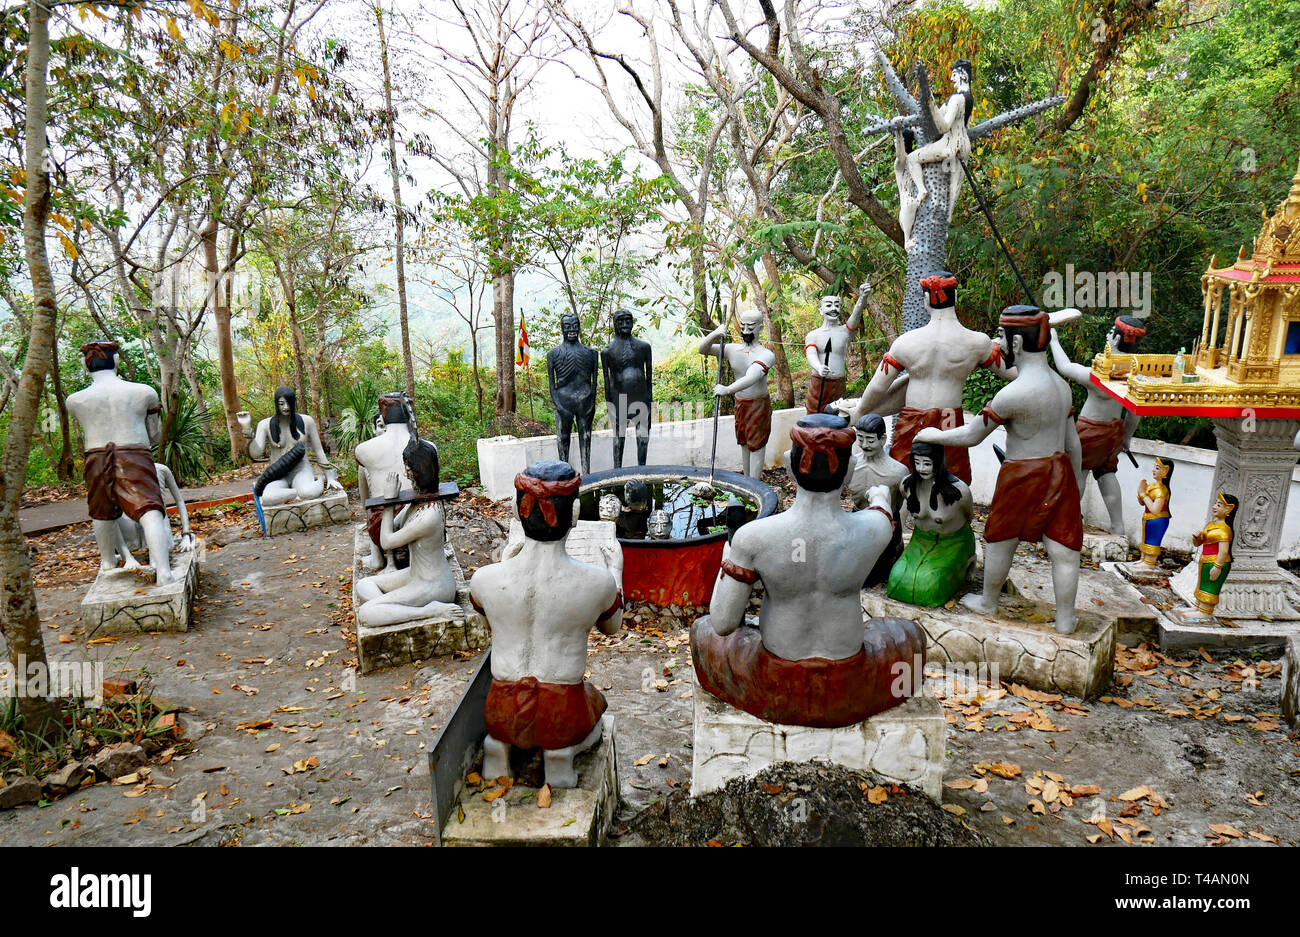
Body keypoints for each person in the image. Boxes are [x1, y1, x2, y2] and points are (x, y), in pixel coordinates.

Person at [690, 413, 926, 727]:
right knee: (910, 635)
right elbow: (883, 509)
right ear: (850, 470)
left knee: (702, 630)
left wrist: (731, 551)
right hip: (847, 681)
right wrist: (881, 496)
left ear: (789, 464)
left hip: (776, 681)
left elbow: (722, 622)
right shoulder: (875, 528)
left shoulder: (754, 538)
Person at [915, 306, 1083, 633]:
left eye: (1002, 336)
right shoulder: (1062, 387)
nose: (998, 342)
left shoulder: (1013, 394)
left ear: (1016, 343)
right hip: (1059, 471)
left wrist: (934, 435)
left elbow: (971, 435)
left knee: (1001, 538)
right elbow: (1073, 444)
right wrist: (1076, 484)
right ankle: (1065, 618)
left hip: (1022, 474)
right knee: (1064, 547)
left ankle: (989, 601)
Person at [470, 460, 623, 788]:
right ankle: (559, 756)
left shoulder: (483, 580)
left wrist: (504, 564)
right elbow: (613, 628)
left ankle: (498, 747)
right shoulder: (599, 583)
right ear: (576, 513)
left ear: (515, 509)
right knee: (595, 701)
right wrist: (617, 571)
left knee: (504, 723)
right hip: (562, 713)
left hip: (500, 709)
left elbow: (490, 628)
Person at [851, 272, 1016, 484]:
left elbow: (877, 388)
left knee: (901, 476)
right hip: (950, 419)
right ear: (955, 297)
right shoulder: (977, 343)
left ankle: (896, 517)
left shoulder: (906, 342)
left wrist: (859, 412)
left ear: (926, 299)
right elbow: (1017, 375)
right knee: (953, 481)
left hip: (912, 418)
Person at [66, 341, 176, 585]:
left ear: (85, 366)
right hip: (135, 453)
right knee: (150, 510)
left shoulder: (74, 400)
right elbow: (155, 435)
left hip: (95, 457)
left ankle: (107, 563)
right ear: (116, 361)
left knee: (101, 512)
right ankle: (164, 572)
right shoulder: (144, 392)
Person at [1049, 317, 1144, 534]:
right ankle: (1118, 526)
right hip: (1114, 431)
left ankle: (1071, 521)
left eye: (1111, 332)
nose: (1107, 335)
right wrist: (1127, 436)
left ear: (1118, 338)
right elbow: (1135, 411)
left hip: (1091, 430)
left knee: (1078, 472)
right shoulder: (1135, 371)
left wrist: (1054, 340)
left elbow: (1066, 367)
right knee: (1106, 473)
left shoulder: (1103, 371)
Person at [353, 436, 458, 627]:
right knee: (364, 585)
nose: (405, 473)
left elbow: (386, 542)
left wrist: (389, 502)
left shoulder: (429, 515)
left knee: (367, 613)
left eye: (409, 468)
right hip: (415, 575)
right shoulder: (418, 503)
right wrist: (390, 503)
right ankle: (391, 608)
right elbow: (392, 526)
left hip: (434, 586)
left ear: (421, 471)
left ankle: (428, 611)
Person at [887, 441, 975, 607]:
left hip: (952, 542)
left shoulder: (959, 491)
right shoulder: (907, 485)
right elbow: (903, 511)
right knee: (897, 579)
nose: (921, 468)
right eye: (917, 462)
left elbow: (968, 517)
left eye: (927, 463)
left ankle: (969, 559)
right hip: (920, 540)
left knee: (931, 585)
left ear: (939, 461)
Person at [899, 59, 973, 249]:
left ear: (962, 74)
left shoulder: (956, 99)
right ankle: (945, 225)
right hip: (964, 145)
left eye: (954, 74)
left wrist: (930, 104)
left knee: (913, 158)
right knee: (954, 189)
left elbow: (942, 126)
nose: (952, 78)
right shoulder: (969, 98)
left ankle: (922, 189)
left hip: (950, 144)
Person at [698, 309, 776, 478]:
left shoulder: (766, 355)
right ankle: (746, 484)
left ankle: (754, 485)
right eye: (743, 326)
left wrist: (727, 389)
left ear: (760, 328)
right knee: (744, 443)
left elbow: (752, 376)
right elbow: (703, 349)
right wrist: (715, 333)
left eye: (751, 327)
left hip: (758, 405)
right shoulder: (733, 349)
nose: (746, 331)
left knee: (756, 444)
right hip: (741, 403)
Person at [238, 386, 341, 505]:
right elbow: (256, 453)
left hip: (301, 469)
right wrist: (249, 434)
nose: (286, 407)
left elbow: (318, 451)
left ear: (294, 403)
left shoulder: (306, 421)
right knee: (268, 498)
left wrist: (329, 476)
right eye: (281, 403)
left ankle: (317, 481)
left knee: (308, 493)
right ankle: (296, 493)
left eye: (289, 403)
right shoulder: (265, 425)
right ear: (276, 404)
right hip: (278, 473)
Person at [845, 414, 908, 587]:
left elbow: (905, 505)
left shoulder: (898, 472)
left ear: (883, 439)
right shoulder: (851, 465)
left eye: (871, 440)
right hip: (856, 523)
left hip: (888, 531)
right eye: (861, 439)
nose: (865, 445)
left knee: (872, 577)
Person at [356, 392, 415, 571]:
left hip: (382, 528)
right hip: (418, 520)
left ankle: (378, 557)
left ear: (383, 415)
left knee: (367, 478)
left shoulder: (363, 449)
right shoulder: (426, 446)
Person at [547, 312, 599, 474]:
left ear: (579, 327)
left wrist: (591, 403)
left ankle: (587, 474)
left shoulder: (591, 353)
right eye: (567, 326)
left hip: (585, 402)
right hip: (563, 403)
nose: (572, 330)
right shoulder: (553, 355)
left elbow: (594, 382)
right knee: (563, 439)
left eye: (575, 326)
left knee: (586, 438)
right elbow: (552, 385)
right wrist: (558, 405)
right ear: (562, 328)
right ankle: (564, 474)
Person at [804, 285, 868, 413]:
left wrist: (862, 297)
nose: (833, 309)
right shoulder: (813, 335)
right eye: (829, 305)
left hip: (839, 384)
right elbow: (811, 354)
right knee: (815, 415)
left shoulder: (845, 332)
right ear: (821, 310)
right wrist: (819, 367)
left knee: (838, 415)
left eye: (837, 305)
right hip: (819, 383)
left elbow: (855, 319)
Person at [601, 308, 653, 467]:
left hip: (641, 397)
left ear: (632, 323)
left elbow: (648, 375)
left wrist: (649, 398)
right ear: (615, 324)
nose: (625, 324)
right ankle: (617, 471)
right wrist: (610, 403)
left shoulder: (644, 347)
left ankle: (642, 470)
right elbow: (606, 381)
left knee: (643, 437)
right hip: (619, 399)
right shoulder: (607, 351)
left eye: (628, 321)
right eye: (621, 321)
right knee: (618, 438)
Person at [1190, 493, 1237, 616]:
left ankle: (1205, 612)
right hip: (1205, 560)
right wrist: (1197, 538)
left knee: (1210, 587)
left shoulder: (1224, 529)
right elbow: (1200, 543)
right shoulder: (1211, 525)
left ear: (1228, 509)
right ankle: (1198, 608)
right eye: (1215, 503)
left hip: (1216, 562)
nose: (1214, 507)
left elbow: (1223, 551)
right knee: (1202, 584)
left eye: (1219, 505)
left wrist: (1218, 566)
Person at [1131, 457, 1173, 571]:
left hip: (1158, 519)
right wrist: (1140, 493)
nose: (1154, 470)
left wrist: (1143, 494)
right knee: (1146, 538)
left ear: (1165, 471)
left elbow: (1155, 509)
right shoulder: (1152, 486)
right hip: (1148, 518)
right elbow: (1142, 503)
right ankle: (1144, 559)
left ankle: (1149, 562)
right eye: (1154, 467)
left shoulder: (1162, 490)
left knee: (1153, 540)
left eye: (1157, 468)